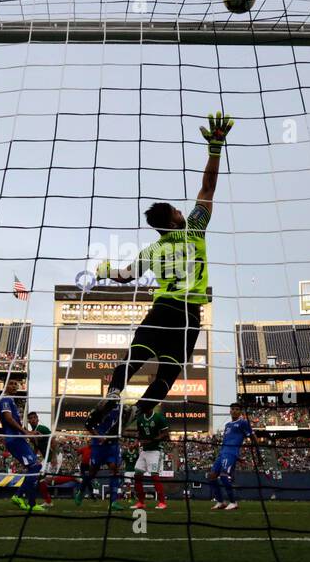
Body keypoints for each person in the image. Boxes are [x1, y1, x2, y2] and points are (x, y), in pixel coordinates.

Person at [86, 112, 233, 432]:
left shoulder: (151, 251)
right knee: (167, 374)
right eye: (177, 210)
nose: (182, 210)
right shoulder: (194, 229)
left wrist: (104, 268)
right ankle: (139, 412)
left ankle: (113, 394)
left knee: (134, 357)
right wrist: (215, 149)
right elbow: (207, 189)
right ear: (172, 222)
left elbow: (124, 276)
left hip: (162, 308)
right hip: (188, 316)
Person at [0, 379, 45, 512]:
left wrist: (28, 433)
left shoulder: (11, 401)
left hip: (18, 439)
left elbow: (15, 422)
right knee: (35, 467)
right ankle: (19, 497)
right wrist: (25, 432)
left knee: (35, 468)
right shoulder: (5, 400)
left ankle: (31, 503)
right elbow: (8, 419)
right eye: (11, 383)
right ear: (5, 386)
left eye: (15, 384)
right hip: (14, 439)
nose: (13, 386)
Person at [210, 402, 253, 511]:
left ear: (240, 412)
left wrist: (257, 452)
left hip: (231, 453)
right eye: (233, 409)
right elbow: (228, 441)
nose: (234, 411)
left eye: (237, 409)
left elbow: (252, 436)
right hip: (222, 453)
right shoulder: (227, 425)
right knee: (212, 476)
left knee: (224, 476)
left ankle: (233, 502)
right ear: (230, 411)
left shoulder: (243, 423)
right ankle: (221, 502)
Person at [132, 406, 169, 510]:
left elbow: (166, 433)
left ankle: (162, 502)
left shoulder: (159, 418)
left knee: (154, 476)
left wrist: (152, 440)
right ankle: (141, 502)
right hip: (144, 451)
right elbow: (138, 432)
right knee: (137, 475)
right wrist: (136, 442)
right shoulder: (140, 419)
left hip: (155, 451)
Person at [27, 411, 55, 507]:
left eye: (34, 418)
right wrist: (33, 458)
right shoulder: (33, 432)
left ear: (38, 419)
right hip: (47, 458)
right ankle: (48, 501)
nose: (33, 420)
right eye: (30, 418)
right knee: (44, 480)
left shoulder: (42, 428)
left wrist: (54, 457)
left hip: (52, 456)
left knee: (45, 480)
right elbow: (36, 447)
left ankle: (74, 479)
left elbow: (53, 439)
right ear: (28, 421)